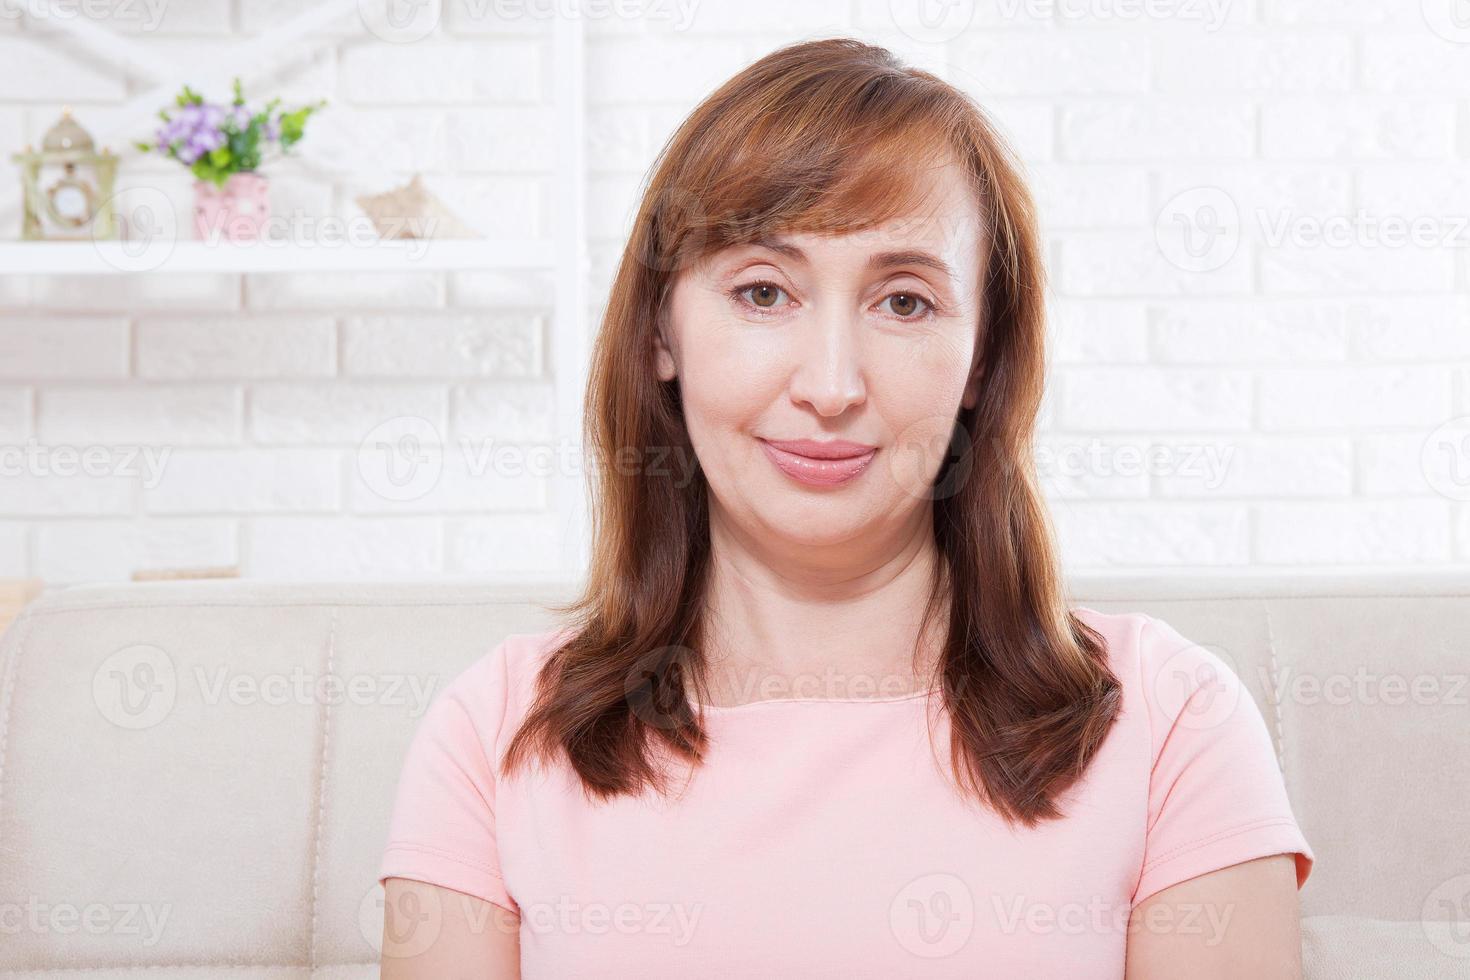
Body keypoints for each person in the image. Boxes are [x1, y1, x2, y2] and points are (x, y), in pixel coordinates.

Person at [378, 36, 1313, 978]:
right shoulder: (493, 735)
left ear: (983, 354)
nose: (830, 386)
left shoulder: (1171, 725)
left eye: (904, 302)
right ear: (663, 329)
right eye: (762, 291)